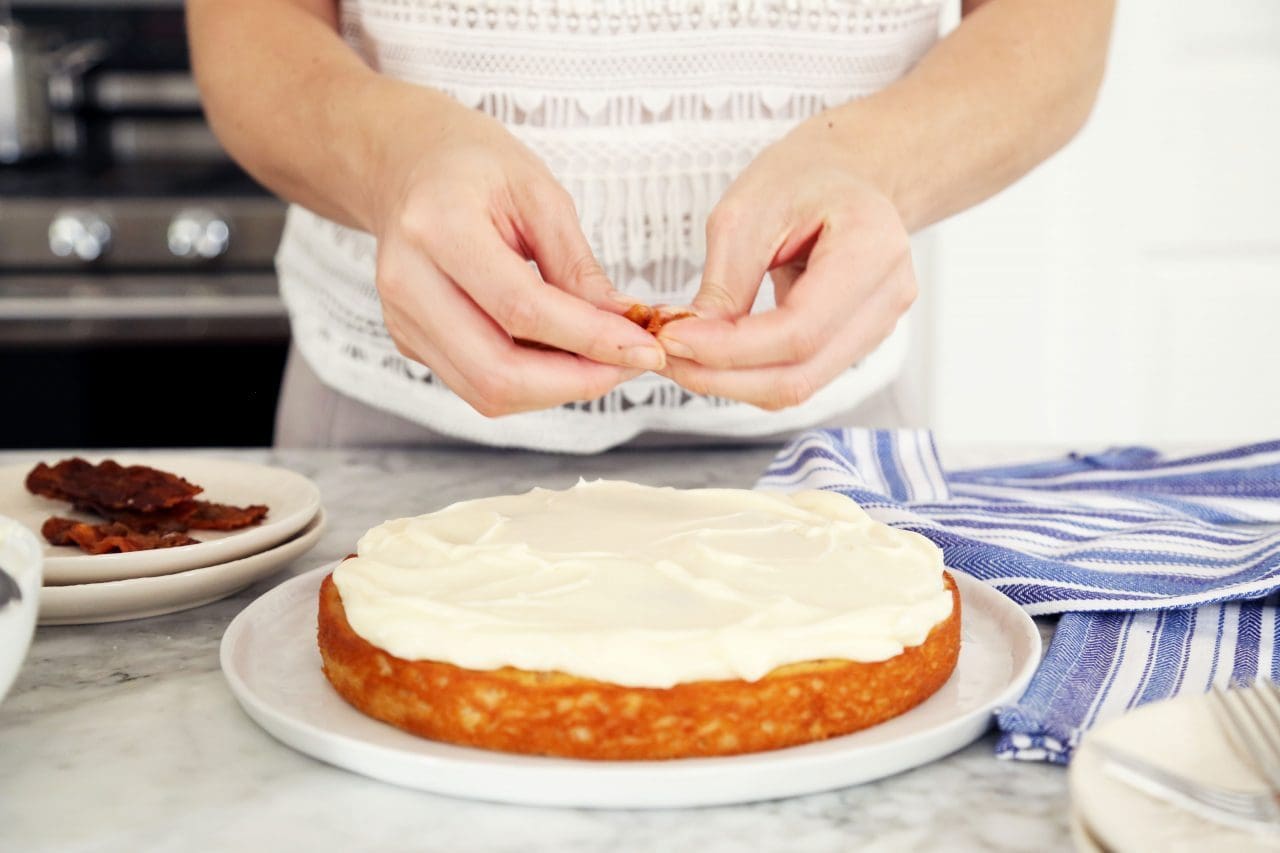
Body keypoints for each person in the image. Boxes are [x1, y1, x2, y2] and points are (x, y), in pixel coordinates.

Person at [188, 0, 1113, 453]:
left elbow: (1053, 32)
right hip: (391, 413)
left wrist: (879, 164)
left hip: (828, 425)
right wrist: (392, 161)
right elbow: (248, 32)